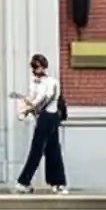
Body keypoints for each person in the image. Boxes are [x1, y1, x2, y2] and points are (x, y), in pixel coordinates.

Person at [14, 53, 67, 195]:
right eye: (36, 67)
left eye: (40, 66)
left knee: (47, 149)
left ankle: (28, 182)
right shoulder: (34, 82)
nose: (39, 69)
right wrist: (25, 106)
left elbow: (46, 98)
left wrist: (32, 107)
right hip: (43, 117)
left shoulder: (52, 82)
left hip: (50, 116)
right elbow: (32, 97)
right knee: (48, 148)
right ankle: (56, 182)